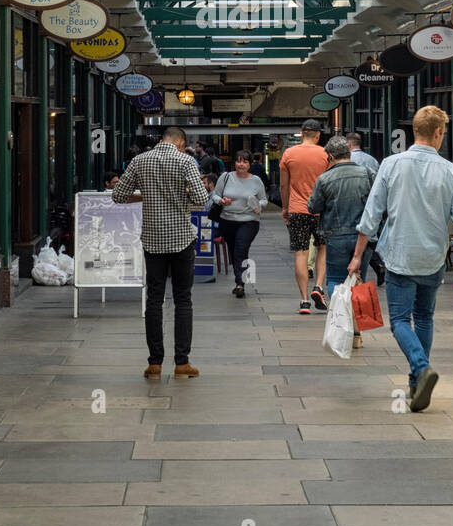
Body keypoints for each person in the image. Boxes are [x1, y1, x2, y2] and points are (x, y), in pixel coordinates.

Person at [349, 106, 453, 412]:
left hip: (400, 255)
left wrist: (357, 257)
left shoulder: (391, 165)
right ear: (438, 133)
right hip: (433, 257)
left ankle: (420, 368)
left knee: (400, 322)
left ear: (414, 131)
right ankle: (416, 383)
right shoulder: (451, 171)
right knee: (424, 318)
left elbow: (371, 215)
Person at [112, 126, 208, 381]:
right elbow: (201, 198)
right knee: (182, 300)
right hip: (181, 239)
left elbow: (118, 195)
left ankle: (154, 363)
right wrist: (178, 199)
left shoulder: (139, 161)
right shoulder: (186, 160)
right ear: (179, 143)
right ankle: (181, 363)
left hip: (152, 240)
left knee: (154, 299)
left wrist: (149, 198)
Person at [308, 136, 376, 348]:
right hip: (363, 237)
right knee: (360, 280)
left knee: (336, 280)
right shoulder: (367, 173)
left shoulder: (324, 179)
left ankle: (341, 326)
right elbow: (378, 202)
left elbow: (313, 207)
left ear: (330, 156)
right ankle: (358, 333)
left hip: (336, 236)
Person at [280, 119, 329, 314]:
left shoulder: (289, 154)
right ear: (317, 135)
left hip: (297, 209)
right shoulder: (325, 154)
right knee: (323, 248)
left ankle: (304, 300)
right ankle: (318, 286)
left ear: (301, 133)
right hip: (320, 210)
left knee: (301, 253)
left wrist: (285, 208)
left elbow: (284, 185)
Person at [211, 150, 268, 298]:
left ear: (250, 164)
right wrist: (221, 201)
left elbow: (264, 200)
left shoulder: (256, 180)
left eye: (244, 161)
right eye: (238, 161)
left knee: (241, 248)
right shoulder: (226, 177)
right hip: (227, 221)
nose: (241, 164)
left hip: (249, 221)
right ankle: (242, 277)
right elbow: (215, 195)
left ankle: (240, 283)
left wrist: (258, 205)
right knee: (234, 250)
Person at [347, 134, 386, 286]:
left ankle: (357, 276)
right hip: (371, 206)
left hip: (352, 209)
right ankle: (375, 266)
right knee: (369, 239)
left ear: (349, 145)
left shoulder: (347, 161)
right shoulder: (372, 160)